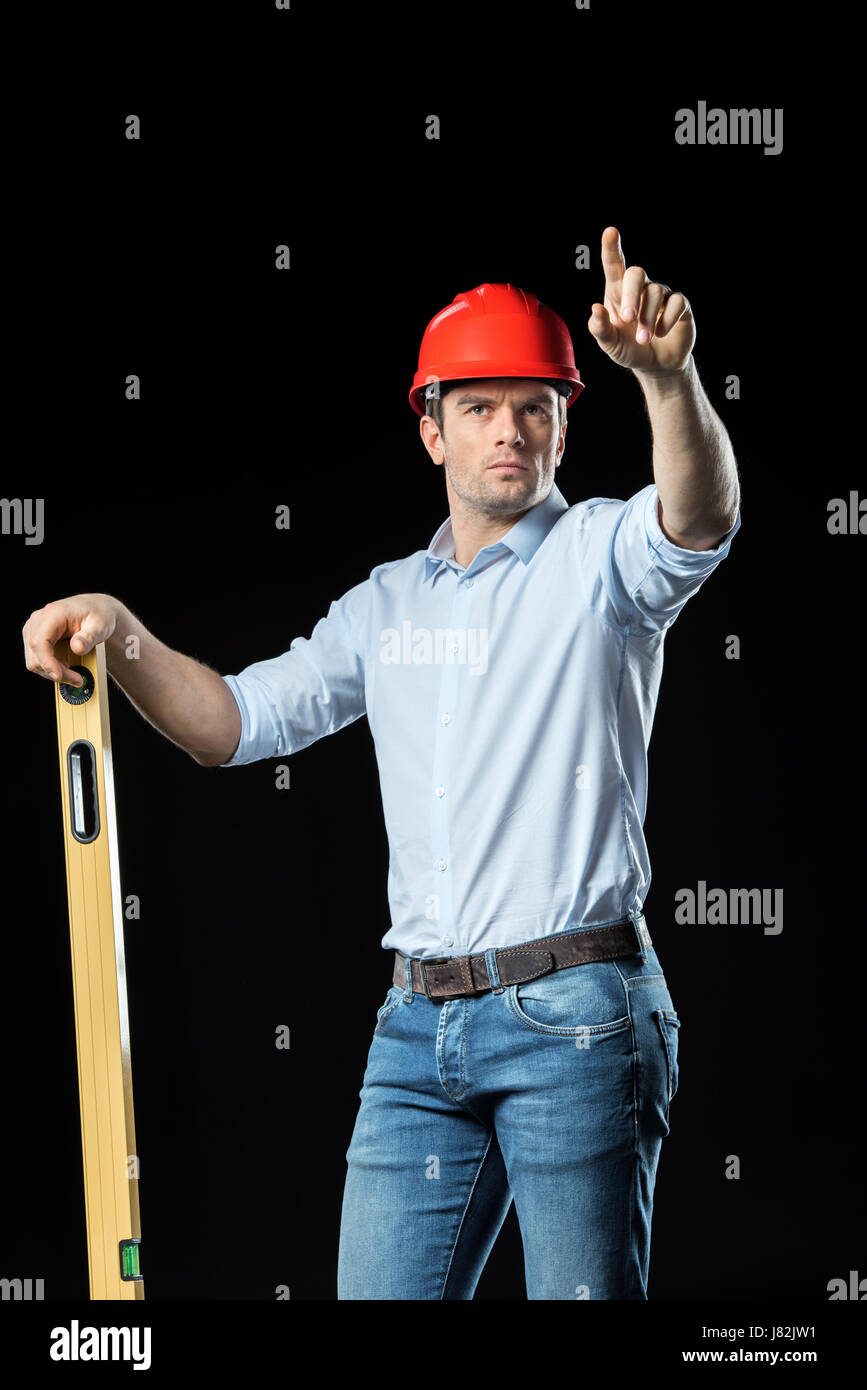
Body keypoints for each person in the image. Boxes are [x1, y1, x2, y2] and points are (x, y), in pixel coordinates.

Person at [23, 227, 741, 1300]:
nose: (511, 430)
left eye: (536, 406)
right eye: (480, 407)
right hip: (417, 1033)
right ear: (432, 431)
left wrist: (671, 380)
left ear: (562, 423)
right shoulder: (384, 606)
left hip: (578, 1015)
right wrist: (119, 632)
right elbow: (234, 723)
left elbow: (700, 516)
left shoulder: (602, 557)